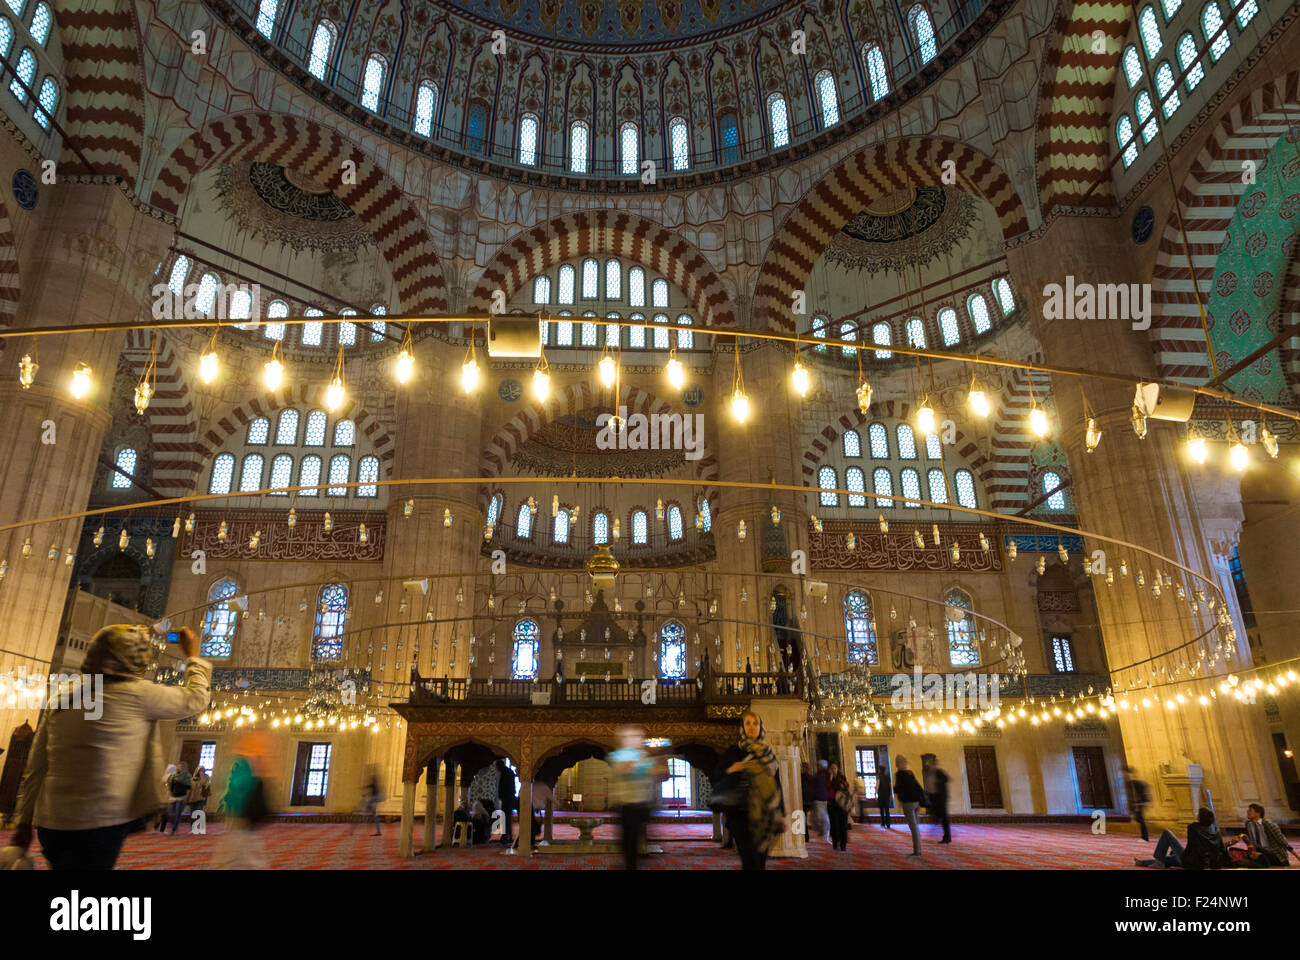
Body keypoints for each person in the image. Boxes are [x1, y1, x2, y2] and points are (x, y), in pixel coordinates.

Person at [7, 625, 212, 870]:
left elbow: (36, 766)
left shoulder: (63, 697)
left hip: (51, 822)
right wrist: (193, 656)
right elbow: (196, 698)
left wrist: (23, 822)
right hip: (99, 822)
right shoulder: (138, 695)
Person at [711, 711, 785, 871]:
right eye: (748, 724)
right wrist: (732, 769)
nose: (752, 727)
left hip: (766, 814)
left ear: (760, 727)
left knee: (760, 860)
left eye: (755, 724)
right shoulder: (734, 752)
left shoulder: (768, 754)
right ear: (742, 728)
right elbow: (717, 777)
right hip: (740, 813)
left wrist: (782, 814)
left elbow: (776, 784)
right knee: (750, 859)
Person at [608, 725, 659, 870]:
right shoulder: (618, 755)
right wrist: (642, 759)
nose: (638, 739)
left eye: (639, 736)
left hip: (643, 804)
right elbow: (622, 769)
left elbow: (660, 773)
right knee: (628, 842)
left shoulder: (644, 755)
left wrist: (658, 758)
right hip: (627, 806)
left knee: (637, 840)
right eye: (633, 736)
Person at [1135, 807, 1231, 869]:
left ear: (1200, 818)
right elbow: (1221, 849)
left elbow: (1194, 832)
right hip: (1201, 863)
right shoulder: (1216, 832)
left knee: (1167, 833)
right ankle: (1143, 862)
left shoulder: (1193, 828)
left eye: (1198, 815)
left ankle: (1159, 861)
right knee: (1170, 859)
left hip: (1190, 861)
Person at [893, 756, 925, 857]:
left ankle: (917, 851)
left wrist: (895, 790)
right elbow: (918, 787)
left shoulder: (899, 774)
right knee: (916, 827)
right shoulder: (910, 773)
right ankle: (918, 849)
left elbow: (898, 789)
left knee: (913, 828)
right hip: (916, 803)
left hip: (908, 803)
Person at [826, 760, 851, 852]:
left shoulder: (842, 778)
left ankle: (843, 845)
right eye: (831, 768)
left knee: (843, 825)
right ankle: (835, 843)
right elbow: (826, 789)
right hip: (832, 805)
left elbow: (846, 789)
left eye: (835, 768)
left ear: (837, 769)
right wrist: (830, 779)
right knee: (834, 825)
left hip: (842, 805)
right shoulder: (828, 779)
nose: (833, 770)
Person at [925, 758, 951, 844]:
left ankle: (947, 838)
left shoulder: (939, 772)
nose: (930, 766)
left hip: (941, 798)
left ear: (934, 765)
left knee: (944, 818)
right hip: (934, 797)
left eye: (931, 765)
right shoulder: (929, 773)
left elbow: (947, 779)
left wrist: (937, 782)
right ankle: (936, 820)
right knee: (938, 815)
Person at [1123, 764, 1151, 842]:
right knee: (1138, 818)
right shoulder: (1130, 782)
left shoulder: (1134, 782)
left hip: (1139, 803)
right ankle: (1144, 836)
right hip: (1138, 803)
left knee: (1140, 819)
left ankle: (1145, 838)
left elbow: (1137, 794)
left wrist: (1138, 804)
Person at [165, 761, 192, 834]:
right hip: (173, 797)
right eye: (178, 766)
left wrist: (186, 797)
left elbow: (188, 788)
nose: (179, 768)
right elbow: (170, 786)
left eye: (181, 767)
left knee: (177, 814)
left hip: (181, 798)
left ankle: (173, 830)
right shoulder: (174, 776)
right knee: (171, 814)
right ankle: (175, 827)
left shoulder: (187, 776)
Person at [496, 759, 517, 846]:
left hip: (507, 798)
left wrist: (502, 796)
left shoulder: (505, 772)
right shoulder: (508, 771)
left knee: (506, 818)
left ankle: (506, 837)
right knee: (507, 818)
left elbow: (505, 787)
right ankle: (508, 836)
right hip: (509, 797)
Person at [185, 765, 211, 832]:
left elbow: (204, 785)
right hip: (192, 798)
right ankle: (193, 828)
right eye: (200, 770)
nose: (201, 772)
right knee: (192, 814)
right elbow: (189, 788)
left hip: (200, 798)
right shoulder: (193, 779)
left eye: (202, 770)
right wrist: (187, 798)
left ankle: (199, 828)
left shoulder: (206, 778)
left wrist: (202, 777)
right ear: (197, 771)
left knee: (199, 812)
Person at [810, 759, 830, 843]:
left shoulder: (827, 776)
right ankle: (822, 832)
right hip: (818, 799)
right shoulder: (817, 776)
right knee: (819, 817)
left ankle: (826, 836)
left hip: (824, 799)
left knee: (825, 819)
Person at [362, 768, 384, 836]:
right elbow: (370, 787)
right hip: (377, 798)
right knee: (375, 816)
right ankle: (378, 831)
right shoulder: (374, 785)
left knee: (370, 807)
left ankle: (369, 810)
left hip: (377, 798)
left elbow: (372, 789)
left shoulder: (375, 785)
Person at [155, 764, 177, 832]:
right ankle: (162, 829)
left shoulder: (163, 777)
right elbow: (170, 788)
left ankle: (157, 826)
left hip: (162, 797)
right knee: (166, 815)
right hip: (168, 798)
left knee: (162, 814)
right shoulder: (170, 778)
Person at [878, 765, 893, 829]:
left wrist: (875, 794)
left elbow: (877, 785)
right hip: (887, 795)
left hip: (881, 795)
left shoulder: (879, 777)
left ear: (880, 770)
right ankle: (888, 824)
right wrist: (891, 795)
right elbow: (890, 786)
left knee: (881, 809)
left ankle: (883, 823)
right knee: (887, 810)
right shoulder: (888, 777)